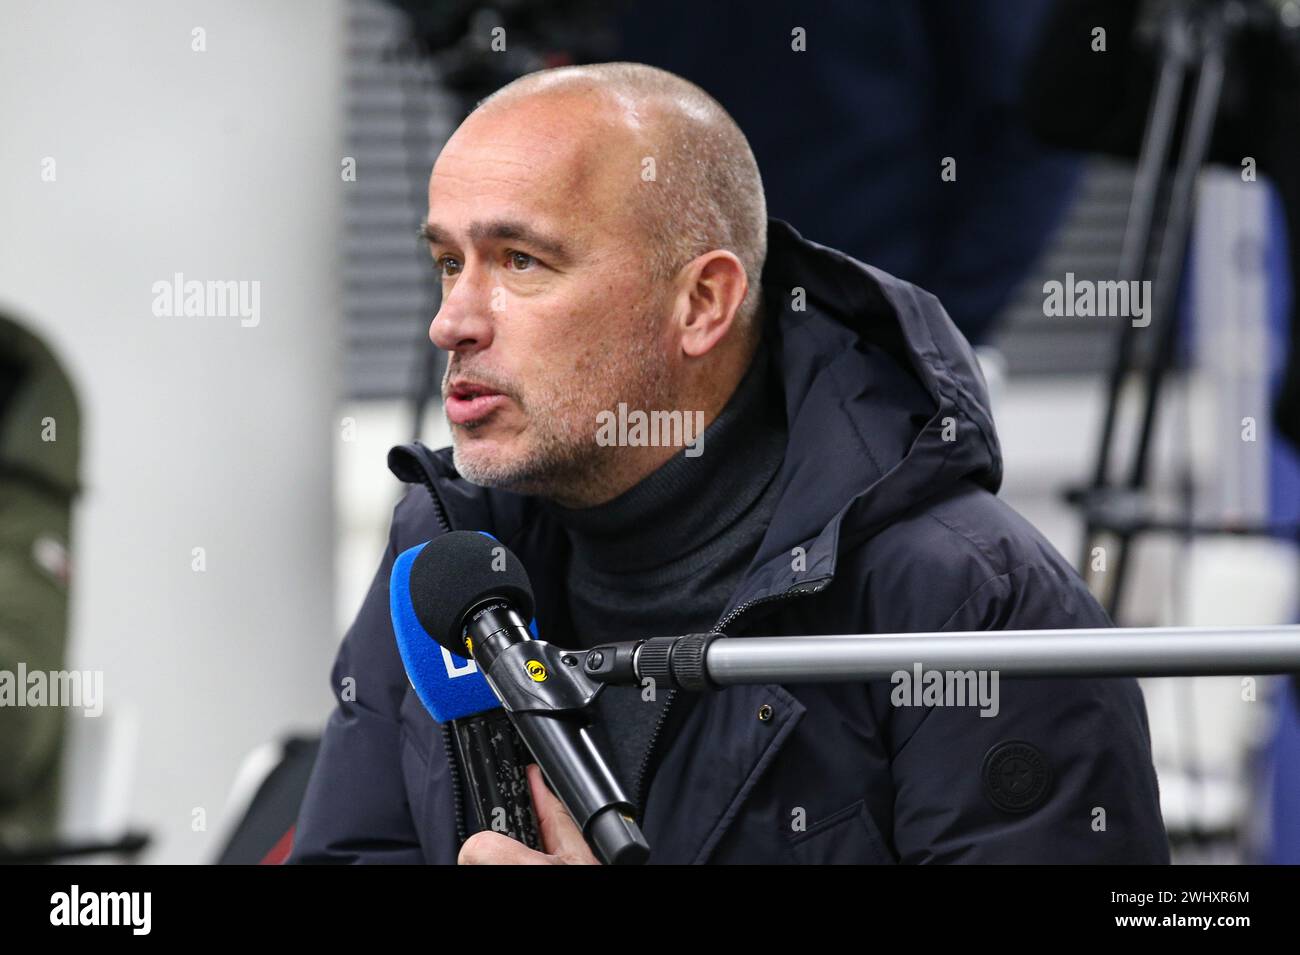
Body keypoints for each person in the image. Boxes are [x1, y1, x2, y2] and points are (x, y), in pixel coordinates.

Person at [290, 62, 1169, 864]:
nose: (453, 320)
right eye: (449, 263)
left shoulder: (969, 601)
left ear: (702, 303)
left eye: (521, 261)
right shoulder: (448, 550)